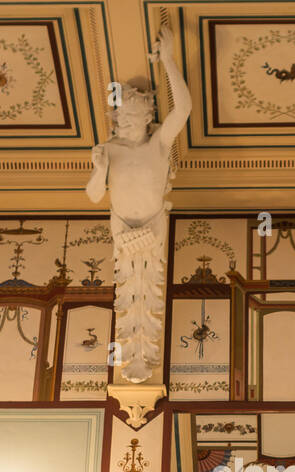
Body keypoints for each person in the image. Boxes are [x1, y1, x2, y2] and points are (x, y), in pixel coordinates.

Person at [86, 26, 191, 383]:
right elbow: (94, 195)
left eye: (133, 119)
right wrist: (100, 170)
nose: (126, 124)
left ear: (148, 119)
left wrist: (169, 60)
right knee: (129, 292)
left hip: (152, 225)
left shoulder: (158, 144)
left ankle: (144, 354)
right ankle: (131, 354)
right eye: (122, 119)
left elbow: (185, 108)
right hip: (122, 229)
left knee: (149, 290)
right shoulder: (110, 150)